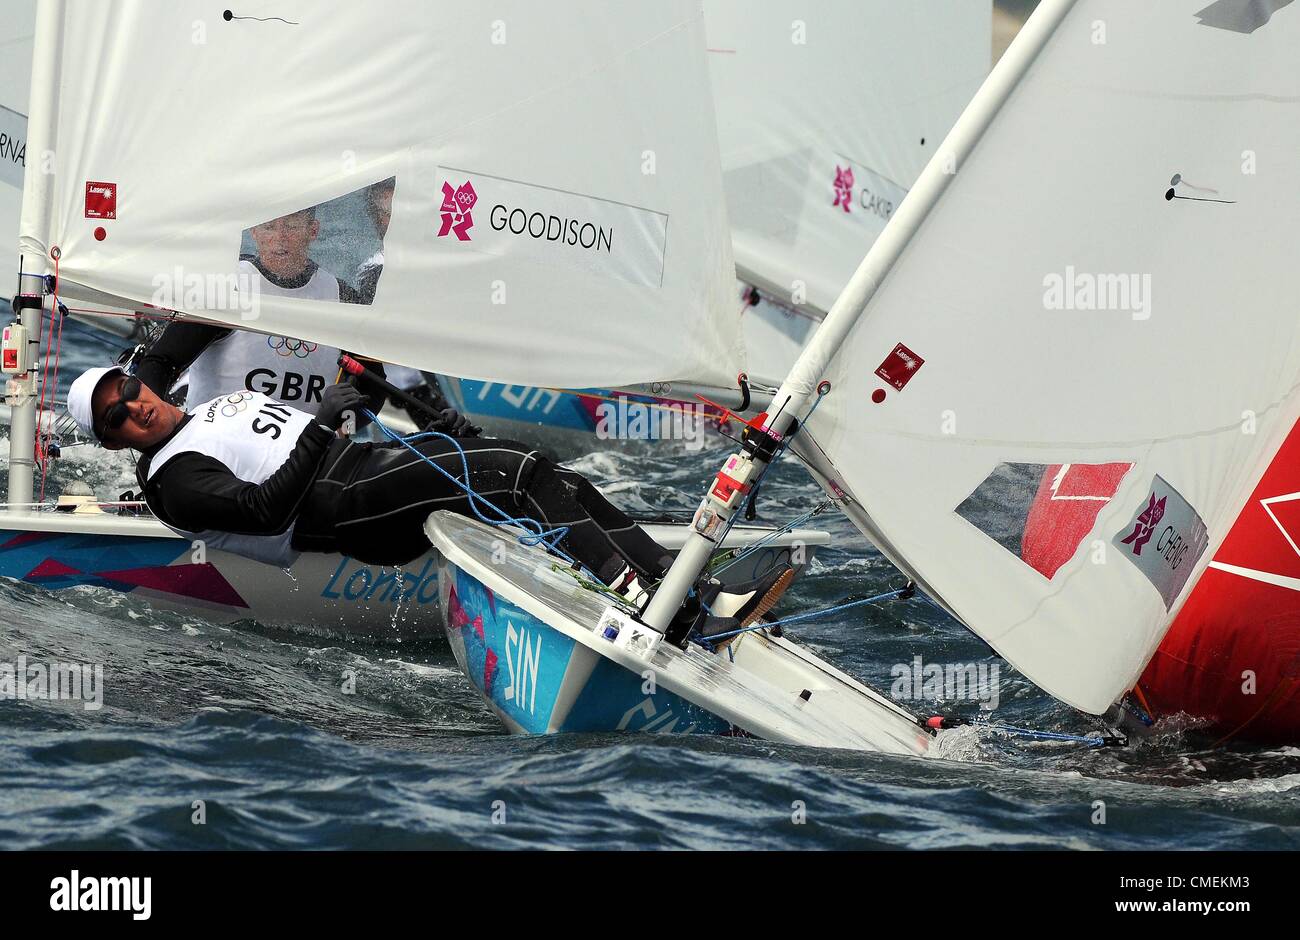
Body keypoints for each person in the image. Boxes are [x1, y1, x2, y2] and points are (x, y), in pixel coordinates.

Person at [66, 367, 787, 639]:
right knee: (516, 473)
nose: (135, 407)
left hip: (368, 468)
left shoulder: (213, 405)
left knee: (557, 478)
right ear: (112, 440)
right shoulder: (170, 479)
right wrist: (322, 425)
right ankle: (645, 602)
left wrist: (380, 394)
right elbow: (261, 511)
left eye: (130, 389)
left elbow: (323, 426)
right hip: (342, 508)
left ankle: (686, 590)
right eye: (117, 417)